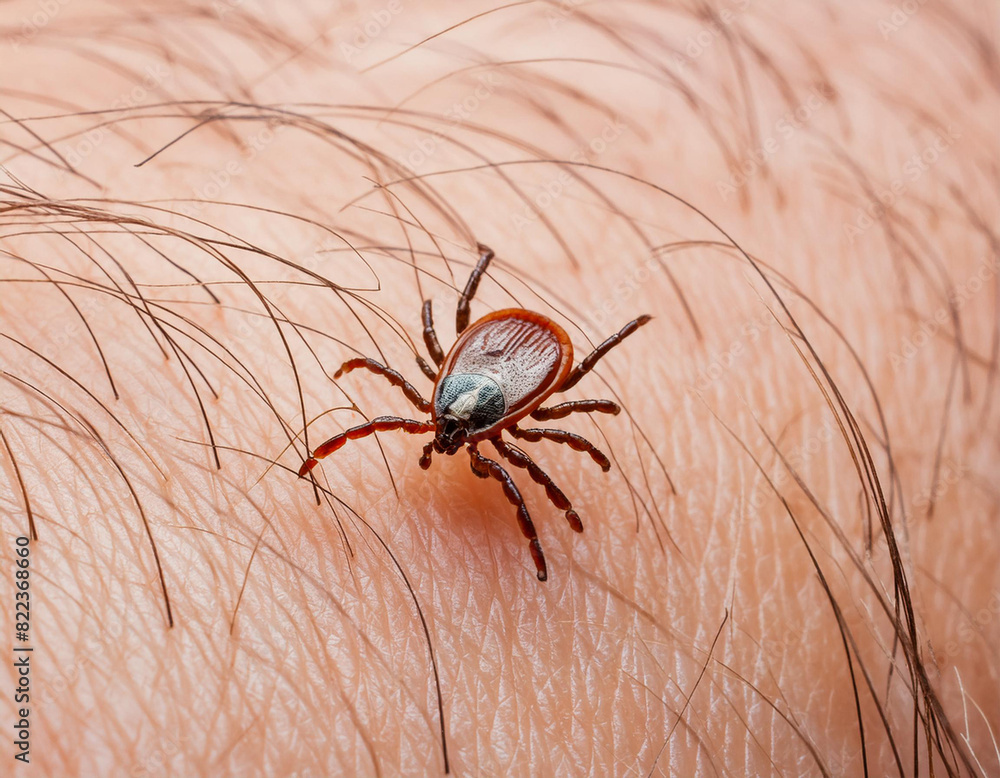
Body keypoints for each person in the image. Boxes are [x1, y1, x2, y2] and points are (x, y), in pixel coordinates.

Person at [1, 0, 997, 774]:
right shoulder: (444, 395)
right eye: (438, 422)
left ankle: (580, 391)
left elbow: (544, 441)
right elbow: (468, 393)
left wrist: (551, 504)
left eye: (442, 427)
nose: (437, 439)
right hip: (509, 355)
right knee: (499, 413)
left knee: (539, 454)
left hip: (526, 355)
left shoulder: (490, 417)